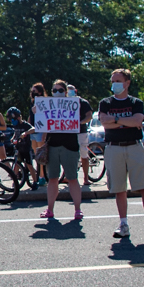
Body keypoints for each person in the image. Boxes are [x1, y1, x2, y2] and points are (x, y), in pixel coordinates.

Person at [99, 69, 144, 240]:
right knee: (119, 188)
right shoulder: (105, 102)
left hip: (134, 146)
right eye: (113, 81)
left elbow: (137, 121)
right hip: (114, 147)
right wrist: (125, 123)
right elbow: (105, 123)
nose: (114, 84)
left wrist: (117, 120)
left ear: (127, 83)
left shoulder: (136, 102)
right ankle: (123, 224)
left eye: (118, 80)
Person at [41, 79, 88, 222]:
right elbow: (41, 123)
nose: (57, 93)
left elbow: (88, 115)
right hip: (53, 145)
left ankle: (78, 210)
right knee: (53, 179)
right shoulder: (47, 105)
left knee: (72, 179)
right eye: (54, 90)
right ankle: (50, 209)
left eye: (60, 90)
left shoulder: (75, 104)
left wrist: (77, 122)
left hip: (70, 146)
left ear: (66, 92)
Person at [28, 82, 49, 191]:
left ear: (40, 91)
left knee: (41, 155)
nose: (33, 93)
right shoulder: (32, 103)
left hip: (41, 130)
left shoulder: (44, 102)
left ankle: (42, 176)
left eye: (35, 91)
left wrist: (45, 132)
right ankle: (39, 175)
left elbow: (46, 117)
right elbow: (30, 116)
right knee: (36, 155)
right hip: (33, 130)